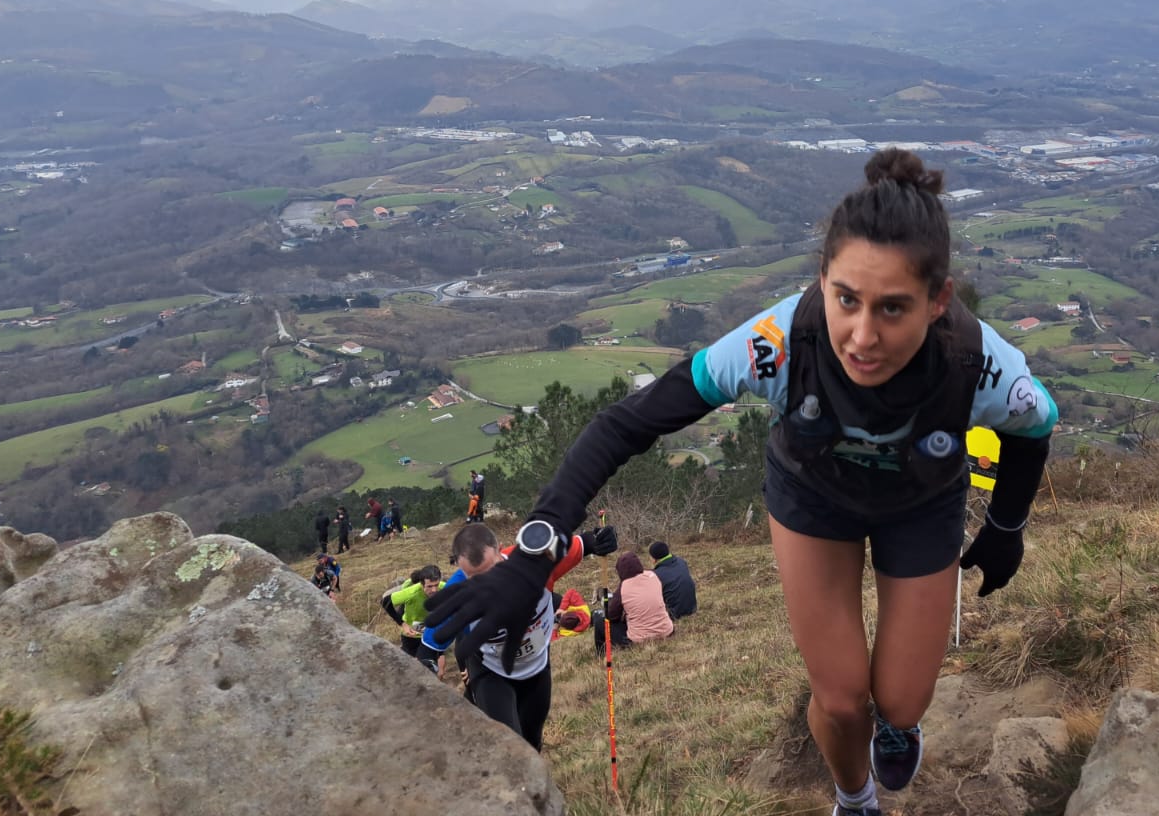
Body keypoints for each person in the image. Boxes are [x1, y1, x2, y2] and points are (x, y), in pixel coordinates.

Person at [426, 150, 1057, 816]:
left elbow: (1035, 426)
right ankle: (854, 799)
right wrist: (536, 549)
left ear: (938, 301)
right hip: (813, 499)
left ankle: (899, 728)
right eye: (846, 299)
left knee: (900, 701)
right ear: (822, 279)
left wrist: (1007, 524)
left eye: (894, 308)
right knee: (842, 700)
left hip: (922, 504)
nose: (862, 335)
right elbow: (625, 424)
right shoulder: (778, 342)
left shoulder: (978, 364)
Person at [424, 520, 616, 750]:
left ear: (500, 551)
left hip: (536, 667)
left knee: (532, 742)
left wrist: (601, 540)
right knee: (511, 746)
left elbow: (584, 543)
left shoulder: (536, 561)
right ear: (461, 570)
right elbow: (427, 651)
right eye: (475, 577)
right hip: (491, 672)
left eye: (492, 569)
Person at [594, 551, 673, 651]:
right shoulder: (653, 575)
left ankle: (601, 654)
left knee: (600, 622)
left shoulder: (623, 587)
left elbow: (612, 616)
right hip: (666, 631)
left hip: (640, 640)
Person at [381, 565, 445, 676]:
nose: (434, 590)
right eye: (429, 586)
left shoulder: (444, 587)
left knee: (431, 669)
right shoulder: (412, 592)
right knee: (411, 671)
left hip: (430, 634)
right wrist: (402, 624)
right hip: (411, 635)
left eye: (436, 585)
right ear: (422, 584)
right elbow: (385, 602)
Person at [648, 540, 698, 620]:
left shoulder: (655, 575)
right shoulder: (681, 561)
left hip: (673, 613)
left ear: (654, 559)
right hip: (692, 608)